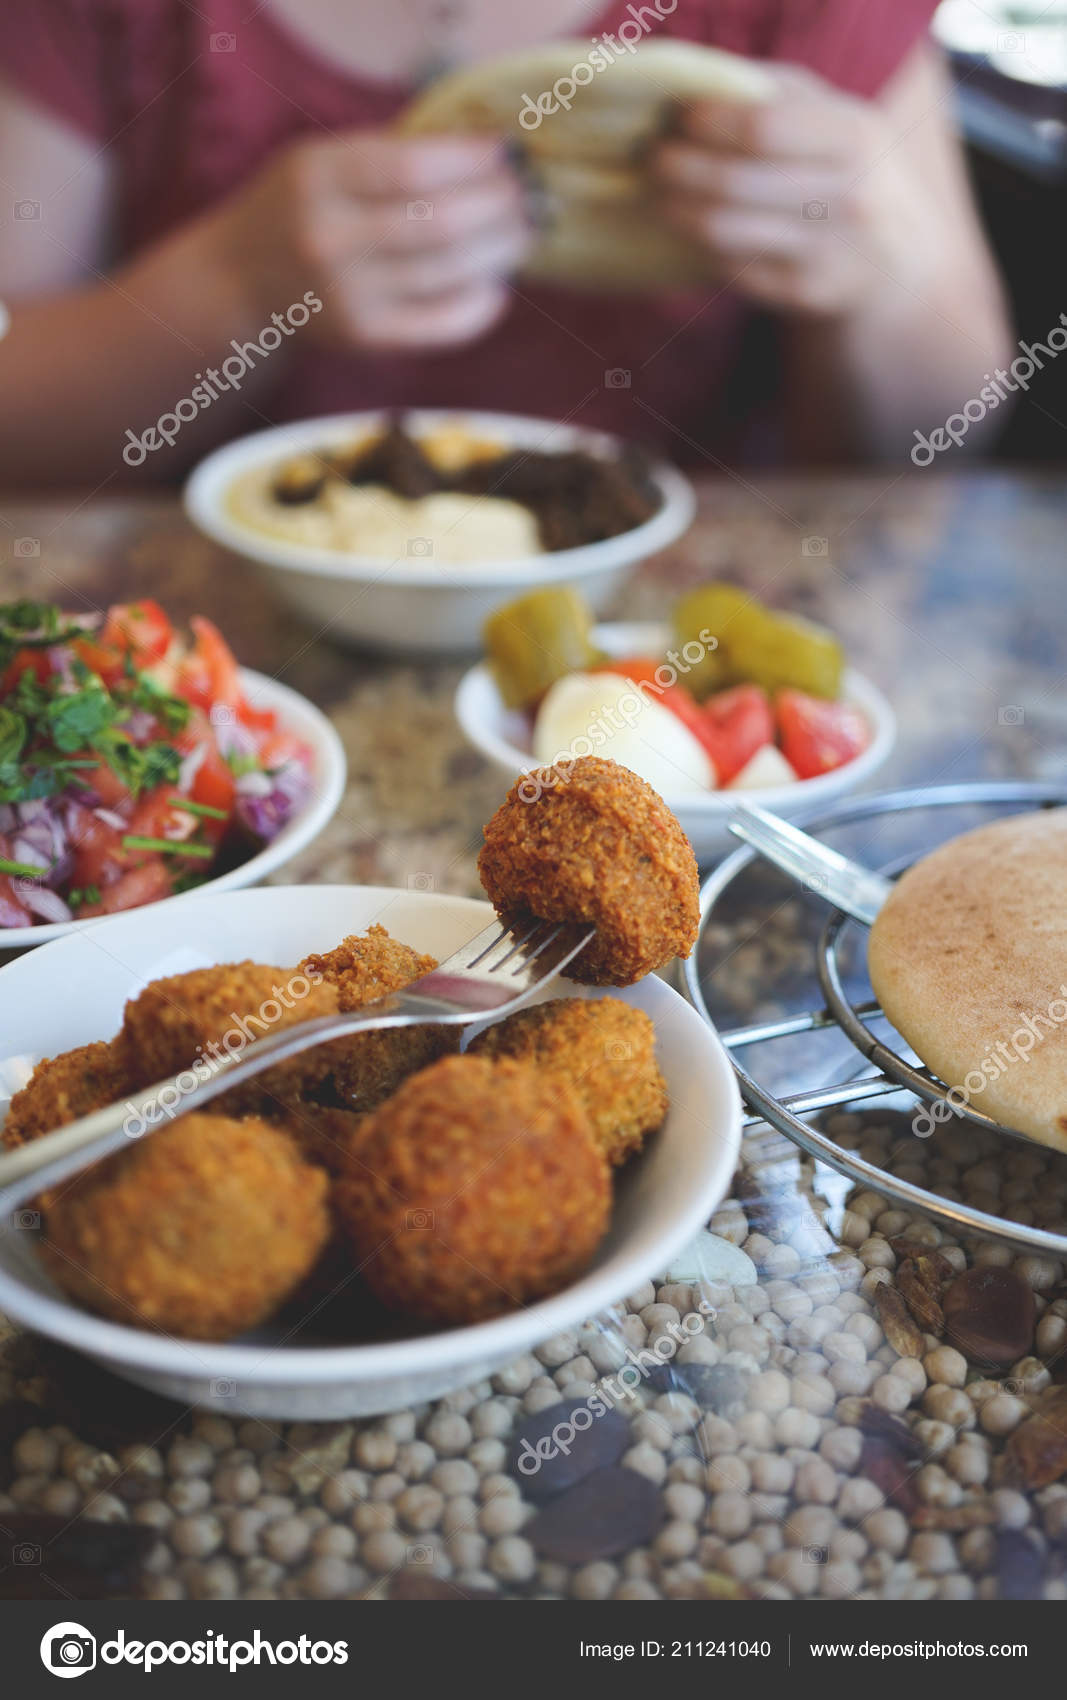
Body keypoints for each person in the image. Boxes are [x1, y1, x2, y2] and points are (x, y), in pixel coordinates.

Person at [0, 0, 1012, 486]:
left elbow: (948, 430)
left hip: (682, 666)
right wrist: (237, 279)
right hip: (229, 660)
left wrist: (878, 262)